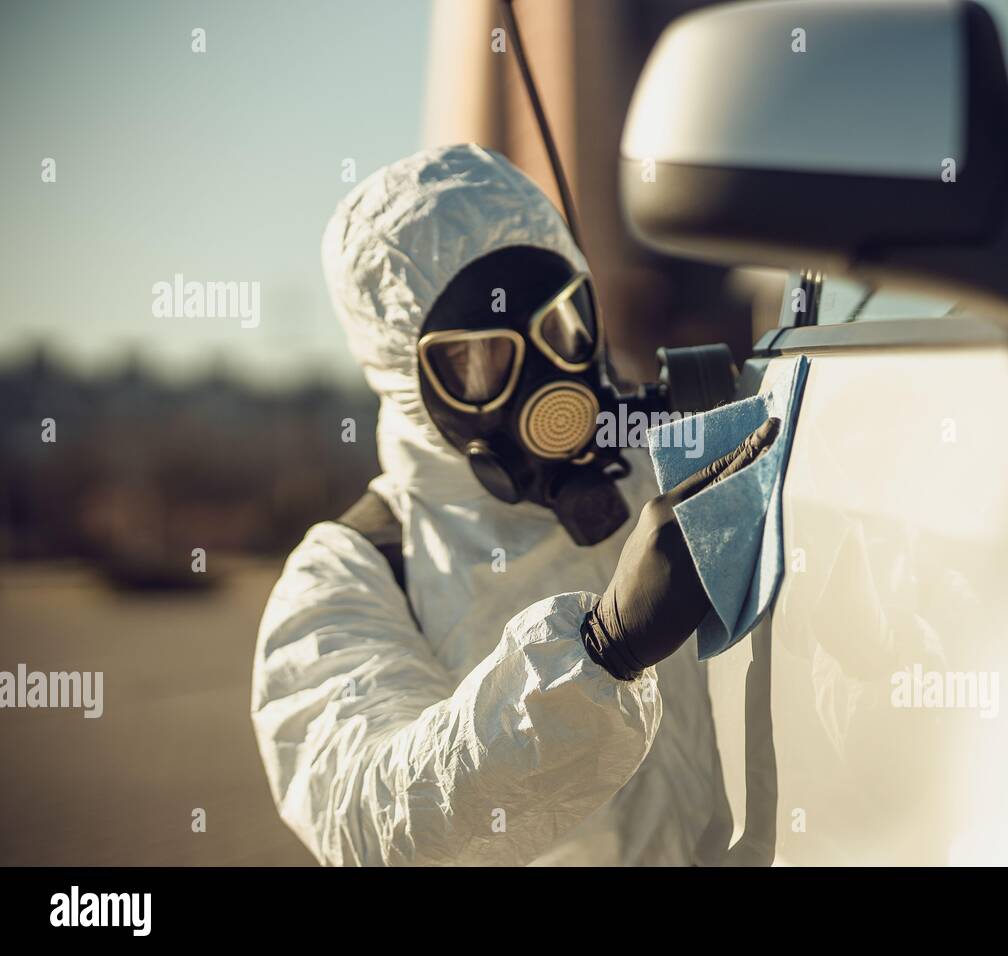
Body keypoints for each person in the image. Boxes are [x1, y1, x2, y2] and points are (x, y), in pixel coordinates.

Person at [250, 145, 777, 865]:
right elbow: (377, 825)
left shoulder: (677, 467)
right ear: (407, 378)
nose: (547, 378)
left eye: (563, 325)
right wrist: (598, 654)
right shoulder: (355, 572)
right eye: (483, 360)